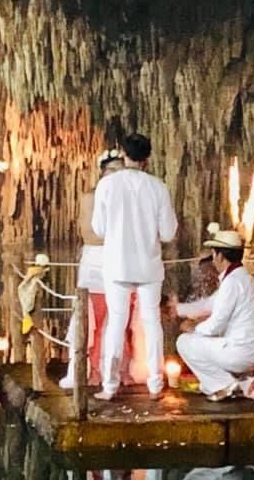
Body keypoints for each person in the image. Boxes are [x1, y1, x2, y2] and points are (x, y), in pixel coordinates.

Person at [91, 133, 178, 401]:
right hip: (149, 266)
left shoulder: (107, 185)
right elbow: (167, 232)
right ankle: (155, 384)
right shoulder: (158, 187)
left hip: (117, 265)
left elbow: (99, 228)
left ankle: (110, 385)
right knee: (152, 323)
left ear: (123, 154)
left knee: (116, 323)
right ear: (147, 159)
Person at [59, 149, 130, 389]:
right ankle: (86, 368)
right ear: (102, 172)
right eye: (112, 171)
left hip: (124, 264)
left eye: (121, 171)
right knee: (93, 317)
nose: (116, 176)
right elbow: (89, 234)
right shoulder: (91, 197)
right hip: (97, 264)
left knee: (120, 319)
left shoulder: (130, 198)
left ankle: (117, 369)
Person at [173, 230, 254, 402]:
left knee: (184, 342)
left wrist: (193, 328)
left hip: (240, 353)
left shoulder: (232, 282)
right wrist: (177, 309)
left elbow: (215, 324)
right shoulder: (244, 278)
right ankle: (245, 384)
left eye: (214, 253)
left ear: (220, 256)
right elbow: (209, 304)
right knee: (207, 337)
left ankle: (222, 385)